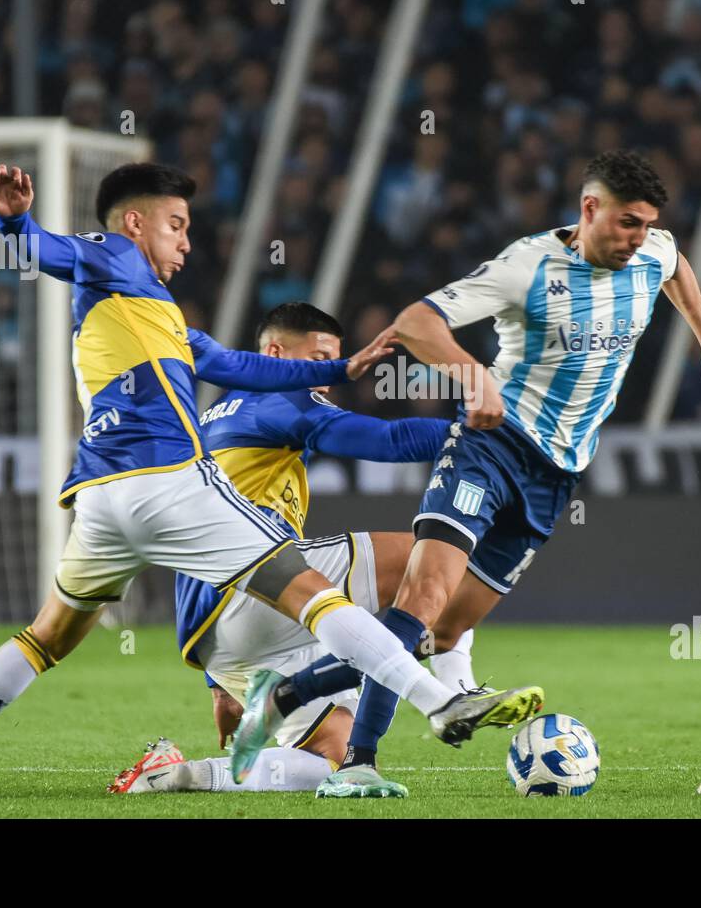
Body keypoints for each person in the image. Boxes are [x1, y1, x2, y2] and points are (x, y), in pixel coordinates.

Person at [0, 164, 542, 798]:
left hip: (103, 503)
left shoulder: (160, 319)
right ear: (135, 224)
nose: (187, 241)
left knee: (45, 637)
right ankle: (444, 697)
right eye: (177, 224)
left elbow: (240, 363)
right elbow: (58, 252)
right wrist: (16, 226)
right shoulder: (115, 256)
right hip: (167, 480)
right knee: (329, 592)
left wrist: (343, 367)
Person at [231, 149, 701, 798]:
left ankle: (289, 691)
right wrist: (471, 374)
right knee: (420, 602)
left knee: (446, 628)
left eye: (646, 224)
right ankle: (358, 762)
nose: (637, 238)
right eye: (626, 223)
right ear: (589, 209)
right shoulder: (529, 266)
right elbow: (416, 322)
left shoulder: (653, 251)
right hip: (491, 443)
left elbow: (676, 269)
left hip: (557, 472)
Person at [109, 302, 490, 796]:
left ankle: (178, 774)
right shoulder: (280, 398)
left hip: (218, 631)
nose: (328, 375)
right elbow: (389, 438)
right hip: (255, 592)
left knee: (325, 757)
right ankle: (456, 692)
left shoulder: (220, 415)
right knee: (435, 559)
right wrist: (487, 439)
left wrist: (217, 682)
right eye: (320, 357)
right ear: (274, 353)